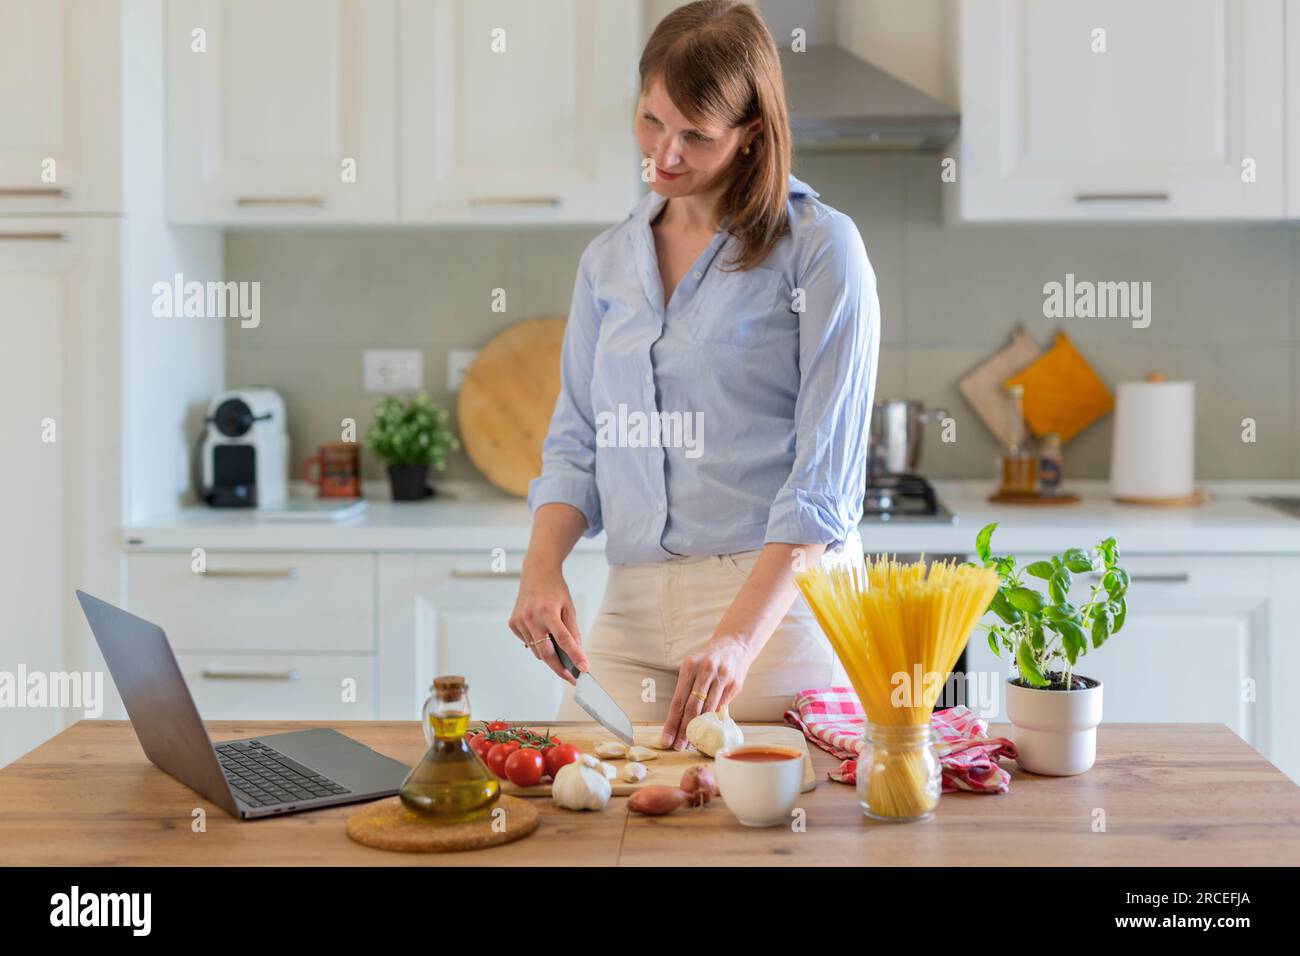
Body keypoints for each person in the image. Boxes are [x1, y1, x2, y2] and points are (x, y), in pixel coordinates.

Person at [509, 0, 879, 750]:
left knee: (775, 827)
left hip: (777, 610)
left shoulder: (821, 249)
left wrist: (738, 639)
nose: (665, 154)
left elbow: (825, 484)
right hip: (631, 602)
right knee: (581, 807)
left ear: (749, 136)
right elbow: (579, 442)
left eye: (697, 136)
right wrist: (541, 568)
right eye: (651, 121)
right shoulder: (608, 261)